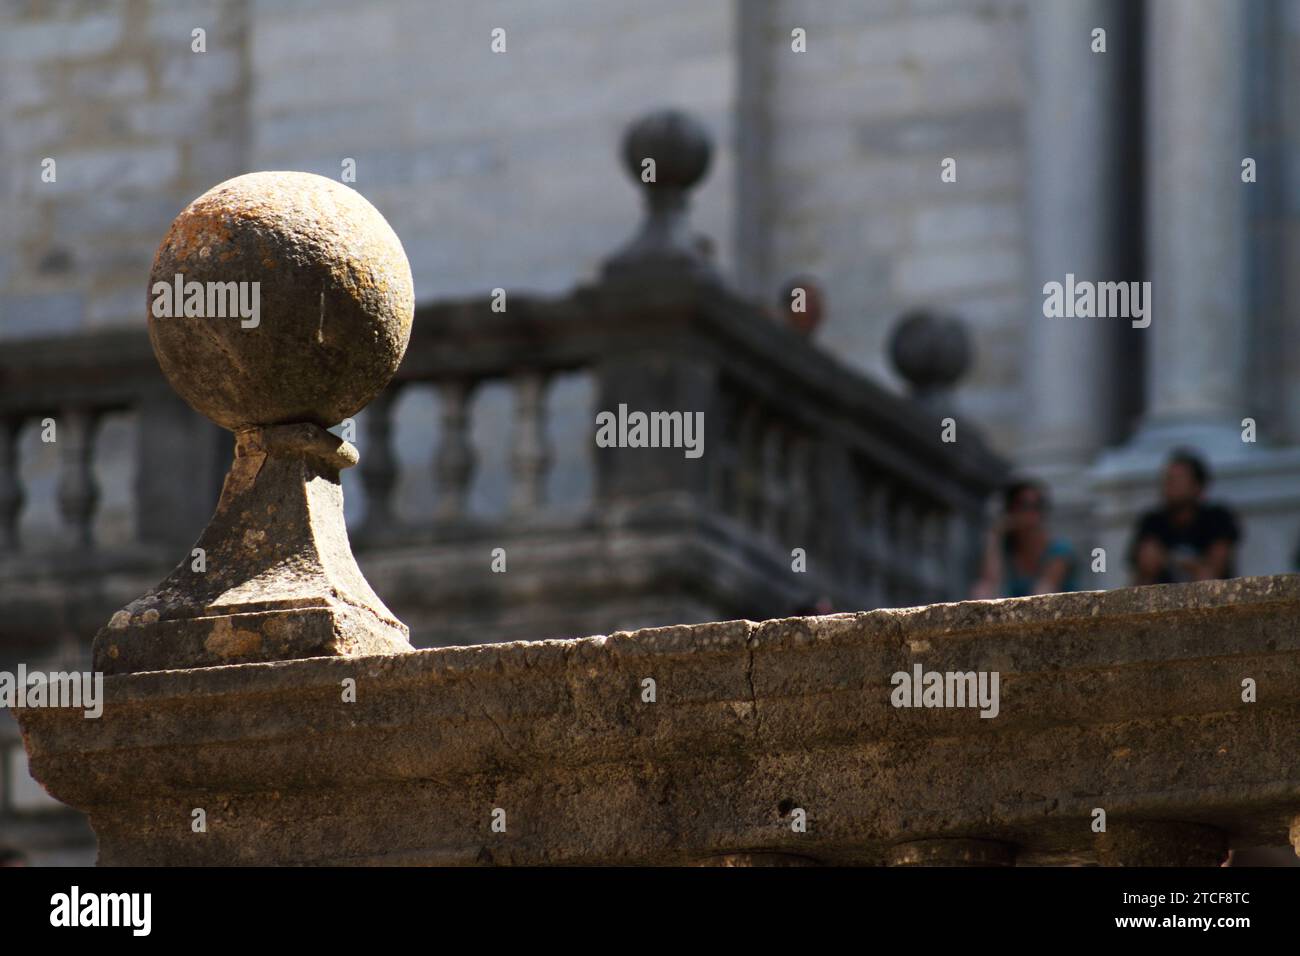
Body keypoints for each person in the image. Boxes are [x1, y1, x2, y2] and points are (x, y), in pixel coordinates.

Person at [1131, 449, 1240, 585]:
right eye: (1167, 479)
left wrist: (1171, 559)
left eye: (1178, 479)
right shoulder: (1152, 522)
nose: (1169, 485)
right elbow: (1142, 574)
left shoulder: (1217, 518)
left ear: (1197, 486)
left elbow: (1214, 573)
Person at [973, 479, 1077, 598]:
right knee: (981, 589)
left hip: (1051, 611)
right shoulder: (1007, 548)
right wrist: (995, 536)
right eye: (1024, 506)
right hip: (1015, 610)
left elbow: (1044, 592)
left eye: (1037, 506)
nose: (1032, 514)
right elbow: (989, 583)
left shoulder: (1059, 550)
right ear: (1010, 511)